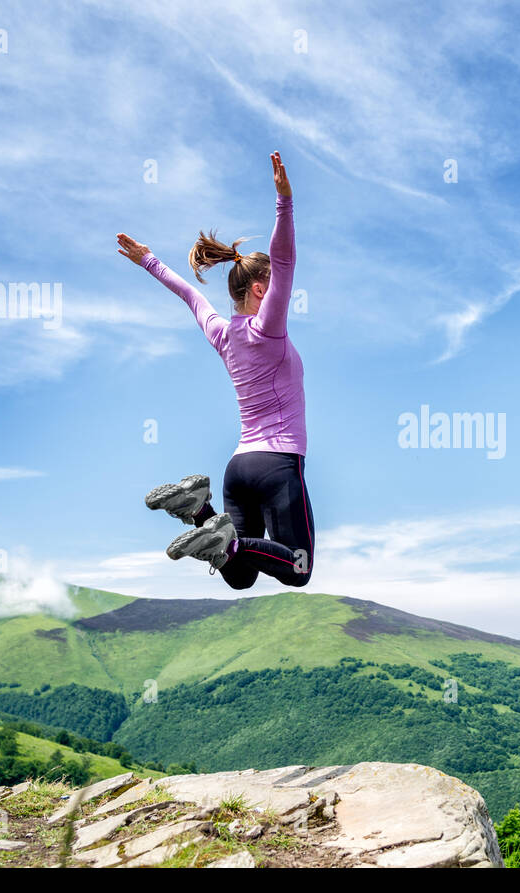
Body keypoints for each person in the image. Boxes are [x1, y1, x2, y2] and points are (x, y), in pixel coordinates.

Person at [116, 151, 313, 589]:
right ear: (261, 290)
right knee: (298, 569)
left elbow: (190, 294)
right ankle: (224, 535)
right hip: (277, 464)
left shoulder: (223, 334)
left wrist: (149, 261)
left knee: (241, 577)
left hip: (238, 469)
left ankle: (201, 511)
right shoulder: (269, 329)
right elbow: (284, 261)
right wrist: (284, 202)